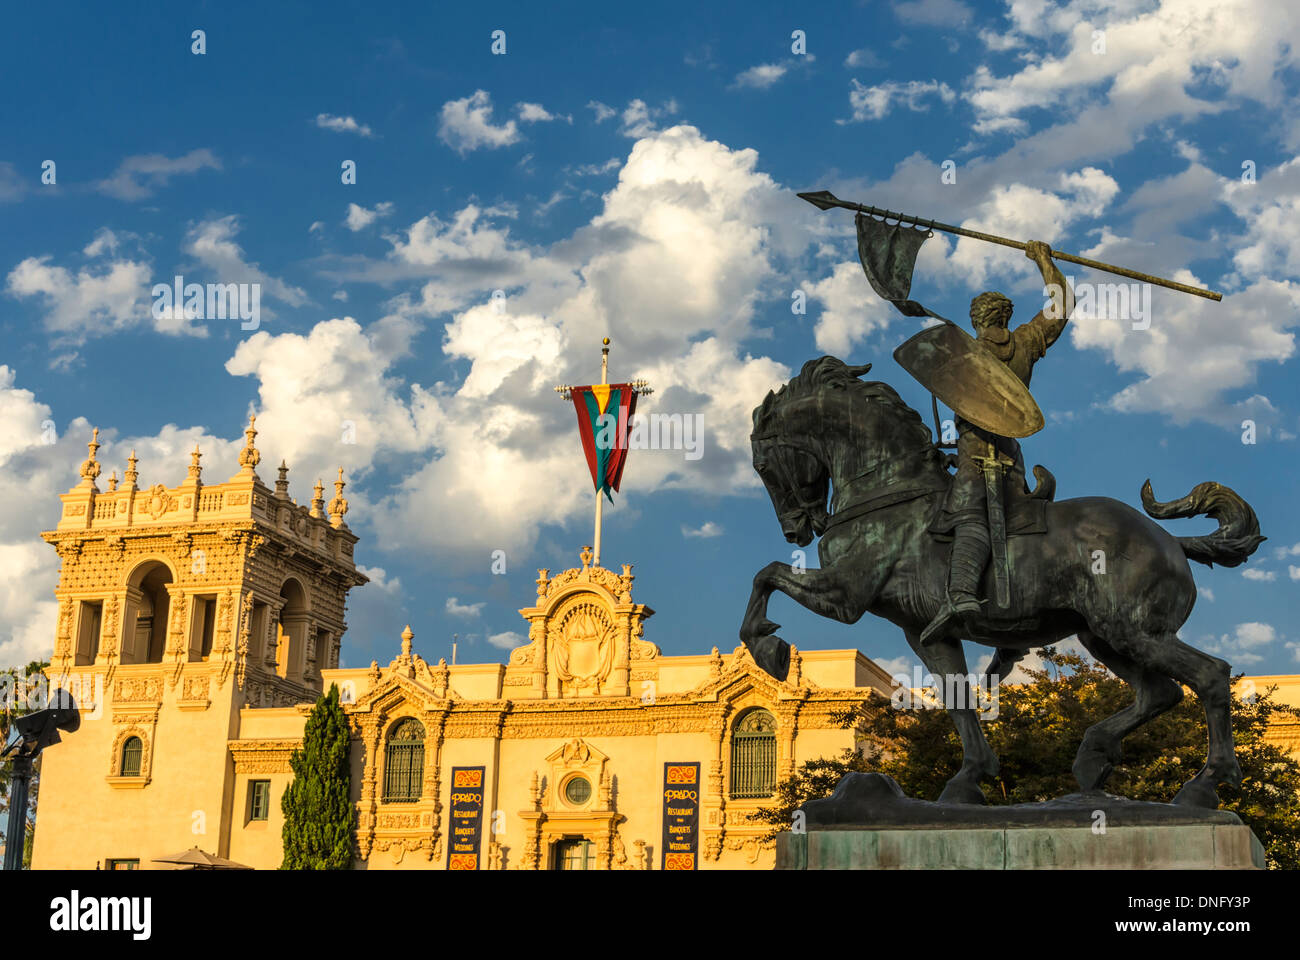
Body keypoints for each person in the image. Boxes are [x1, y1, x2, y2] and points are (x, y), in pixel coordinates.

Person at [920, 240, 1074, 644]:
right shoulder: (1025, 343)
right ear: (1006, 315)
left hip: (977, 457)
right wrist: (1045, 261)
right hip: (1012, 456)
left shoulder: (965, 354)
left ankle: (961, 595)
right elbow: (1061, 307)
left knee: (969, 516)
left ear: (976, 318)